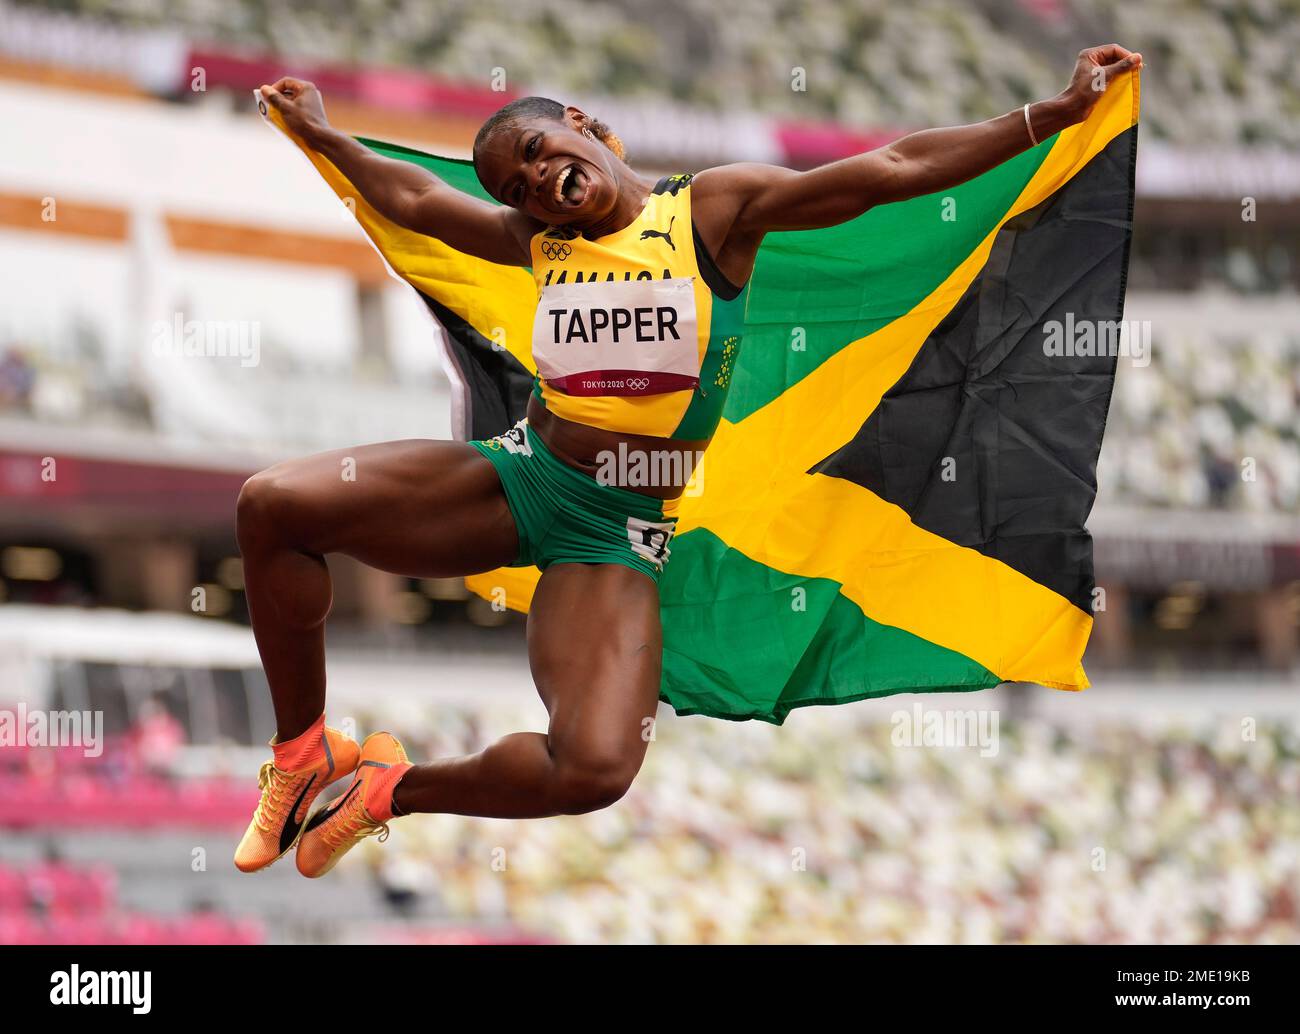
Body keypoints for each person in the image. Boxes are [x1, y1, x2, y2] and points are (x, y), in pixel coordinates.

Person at [235, 44, 1142, 877]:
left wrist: (1051, 115)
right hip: (522, 481)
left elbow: (891, 172)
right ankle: (302, 750)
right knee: (273, 507)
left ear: (582, 127)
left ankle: (389, 788)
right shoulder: (539, 244)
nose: (541, 184)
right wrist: (323, 136)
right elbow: (418, 202)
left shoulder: (711, 212)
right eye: (519, 186)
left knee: (592, 768)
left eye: (543, 153)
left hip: (616, 530)